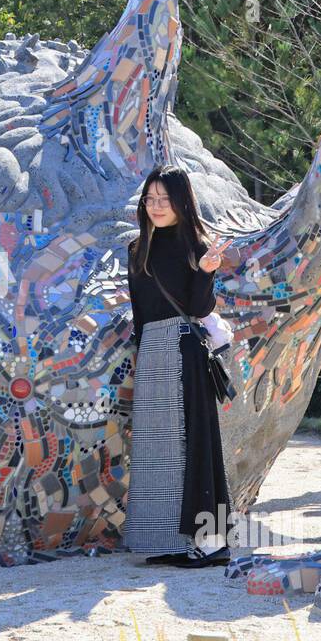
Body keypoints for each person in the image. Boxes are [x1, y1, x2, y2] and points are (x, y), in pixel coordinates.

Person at [124, 165, 232, 567]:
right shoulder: (136, 249)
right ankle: (166, 539)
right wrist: (141, 356)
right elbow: (139, 312)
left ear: (181, 201)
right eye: (150, 199)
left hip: (182, 349)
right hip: (152, 350)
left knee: (192, 444)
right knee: (157, 449)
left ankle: (209, 542)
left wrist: (205, 272)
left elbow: (199, 308)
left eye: (164, 199)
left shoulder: (197, 246)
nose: (155, 206)